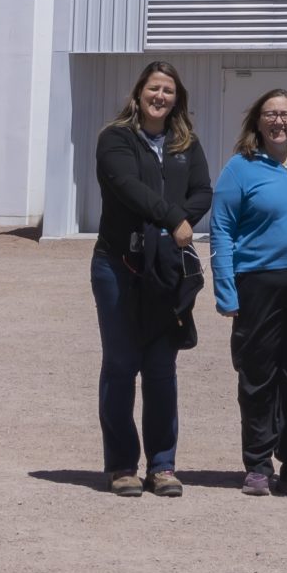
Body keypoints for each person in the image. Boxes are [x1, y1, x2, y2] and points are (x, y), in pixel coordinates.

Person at [92, 62, 212, 498]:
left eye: (168, 90)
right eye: (153, 88)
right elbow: (126, 186)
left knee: (161, 367)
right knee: (122, 364)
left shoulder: (186, 143)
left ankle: (162, 465)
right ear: (139, 92)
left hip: (166, 269)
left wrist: (173, 225)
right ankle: (122, 465)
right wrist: (173, 218)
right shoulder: (116, 138)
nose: (160, 96)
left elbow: (203, 191)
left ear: (176, 98)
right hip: (118, 265)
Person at [209, 85, 287, 499]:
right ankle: (259, 464)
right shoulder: (240, 168)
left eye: (285, 114)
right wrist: (226, 290)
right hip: (258, 282)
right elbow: (222, 230)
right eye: (270, 114)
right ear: (257, 122)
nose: (278, 121)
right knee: (258, 376)